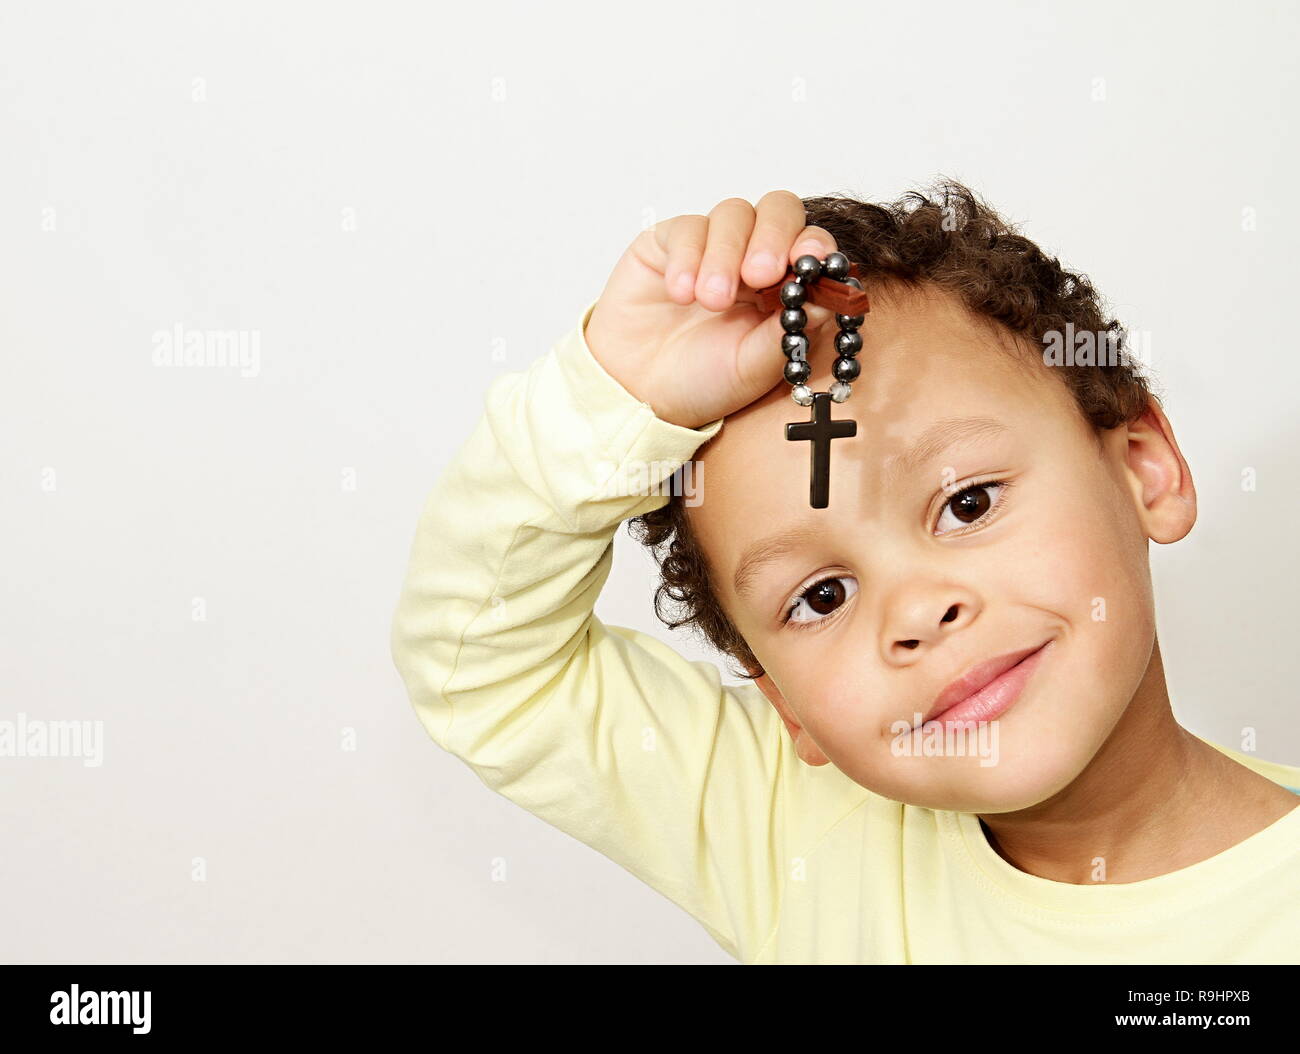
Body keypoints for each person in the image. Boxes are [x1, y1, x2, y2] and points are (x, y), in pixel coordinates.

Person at [390, 181, 1300, 964]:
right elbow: (483, 669)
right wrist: (617, 395)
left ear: (1142, 467)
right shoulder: (795, 832)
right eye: (821, 597)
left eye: (969, 503)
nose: (917, 610)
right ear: (788, 705)